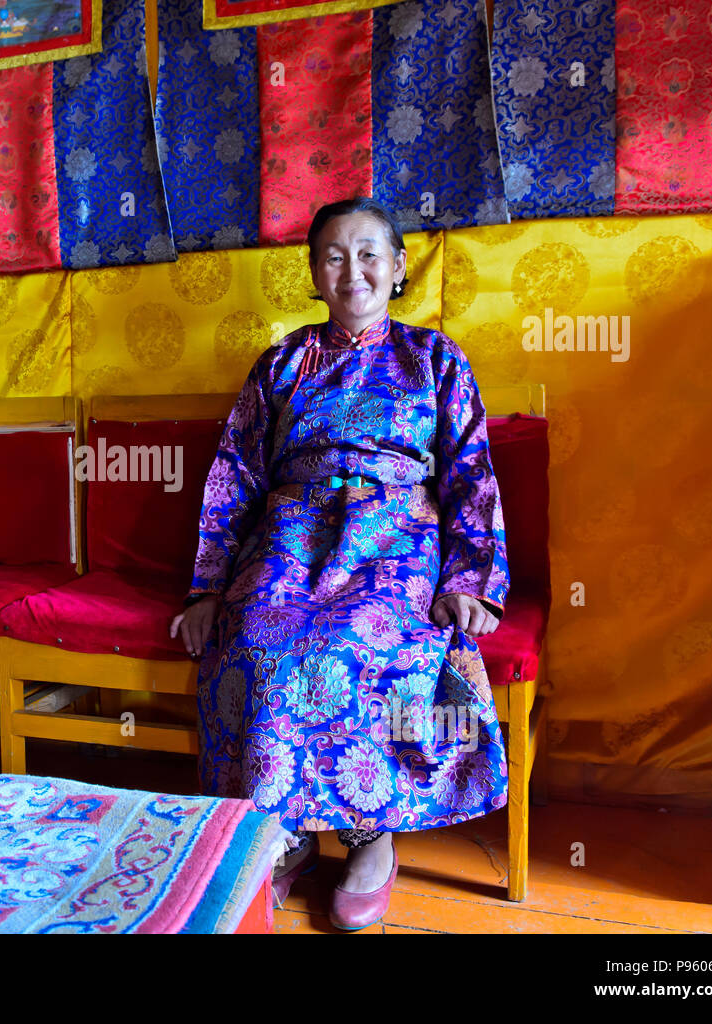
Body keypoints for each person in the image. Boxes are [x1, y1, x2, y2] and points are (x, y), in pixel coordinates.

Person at [169, 196, 510, 931]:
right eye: (332, 255)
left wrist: (468, 583)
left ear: (395, 269)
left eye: (367, 254)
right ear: (315, 274)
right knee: (259, 632)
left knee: (359, 638)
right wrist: (206, 589)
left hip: (394, 538)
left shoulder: (435, 360)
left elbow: (469, 476)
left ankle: (367, 835)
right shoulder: (283, 363)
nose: (350, 270)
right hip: (292, 534)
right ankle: (282, 832)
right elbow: (234, 480)